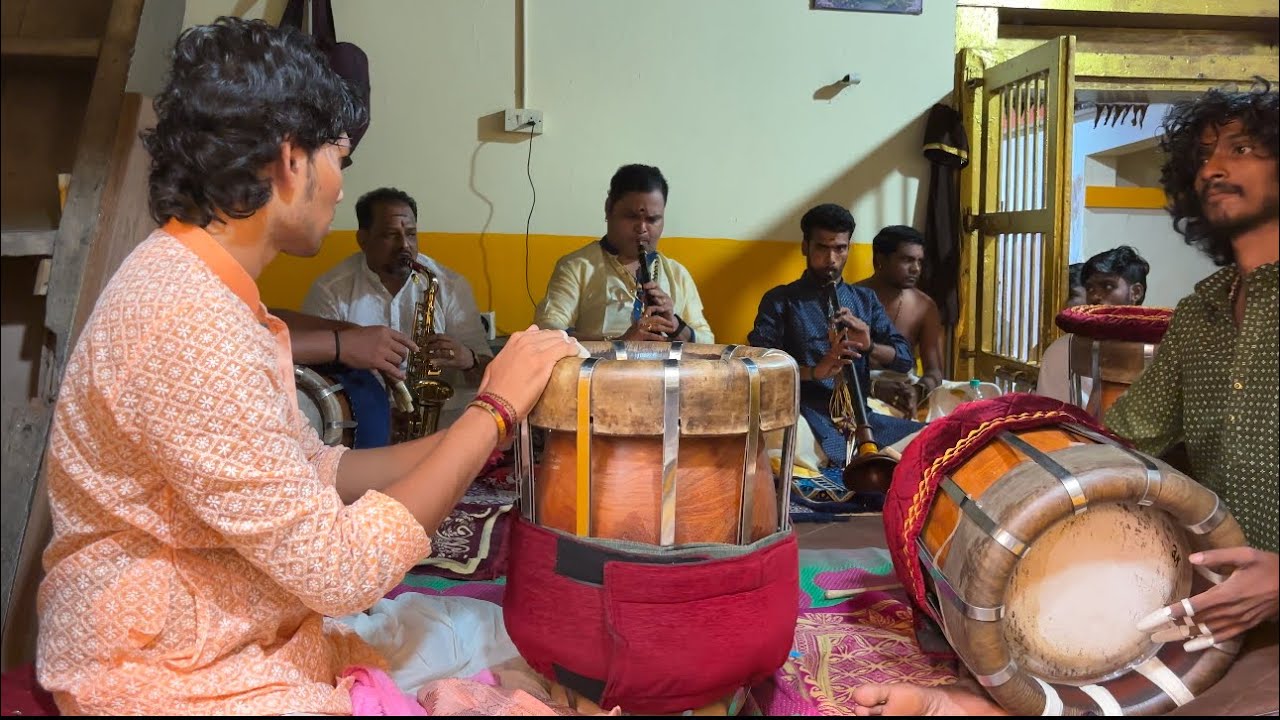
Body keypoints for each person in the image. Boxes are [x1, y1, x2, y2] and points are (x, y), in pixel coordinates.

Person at [35, 17, 580, 716]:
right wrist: (492, 409)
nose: (338, 184)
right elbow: (341, 572)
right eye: (338, 161)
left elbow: (322, 471)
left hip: (232, 629)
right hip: (164, 669)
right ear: (292, 161)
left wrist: (494, 430)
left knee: (494, 634)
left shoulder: (208, 290)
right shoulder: (186, 320)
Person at [851, 81, 1278, 717]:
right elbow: (1130, 441)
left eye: (1242, 148)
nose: (1215, 167)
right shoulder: (1200, 314)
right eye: (1206, 154)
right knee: (1082, 645)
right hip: (1204, 594)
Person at [291, 187, 492, 430]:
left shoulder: (450, 286)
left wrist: (467, 359)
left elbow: (489, 376)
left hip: (444, 428)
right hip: (365, 423)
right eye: (390, 235)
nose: (404, 245)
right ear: (363, 240)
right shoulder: (330, 290)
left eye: (411, 234)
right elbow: (314, 380)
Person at [749, 204, 922, 482]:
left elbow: (904, 359)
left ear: (849, 248)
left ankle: (859, 460)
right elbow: (761, 366)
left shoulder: (864, 300)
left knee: (928, 440)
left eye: (840, 248)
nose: (831, 259)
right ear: (805, 246)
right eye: (822, 248)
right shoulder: (781, 300)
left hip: (859, 414)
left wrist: (870, 346)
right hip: (804, 412)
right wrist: (816, 371)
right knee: (783, 445)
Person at [535, 164, 714, 342]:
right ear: (608, 209)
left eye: (652, 219)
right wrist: (618, 343)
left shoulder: (677, 274)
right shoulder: (576, 267)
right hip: (602, 370)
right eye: (631, 217)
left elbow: (708, 342)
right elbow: (547, 330)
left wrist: (676, 326)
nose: (642, 229)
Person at [1036, 245, 1151, 404]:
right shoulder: (1064, 349)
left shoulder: (1161, 348)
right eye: (1090, 288)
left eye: (1108, 286)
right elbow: (1052, 414)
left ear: (1136, 293)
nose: (1095, 296)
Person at [855, 225, 946, 417]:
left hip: (903, 395)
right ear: (880, 260)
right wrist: (873, 387)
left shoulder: (924, 305)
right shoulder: (849, 297)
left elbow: (935, 371)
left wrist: (917, 391)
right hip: (855, 392)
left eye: (919, 261)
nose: (916, 269)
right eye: (907, 260)